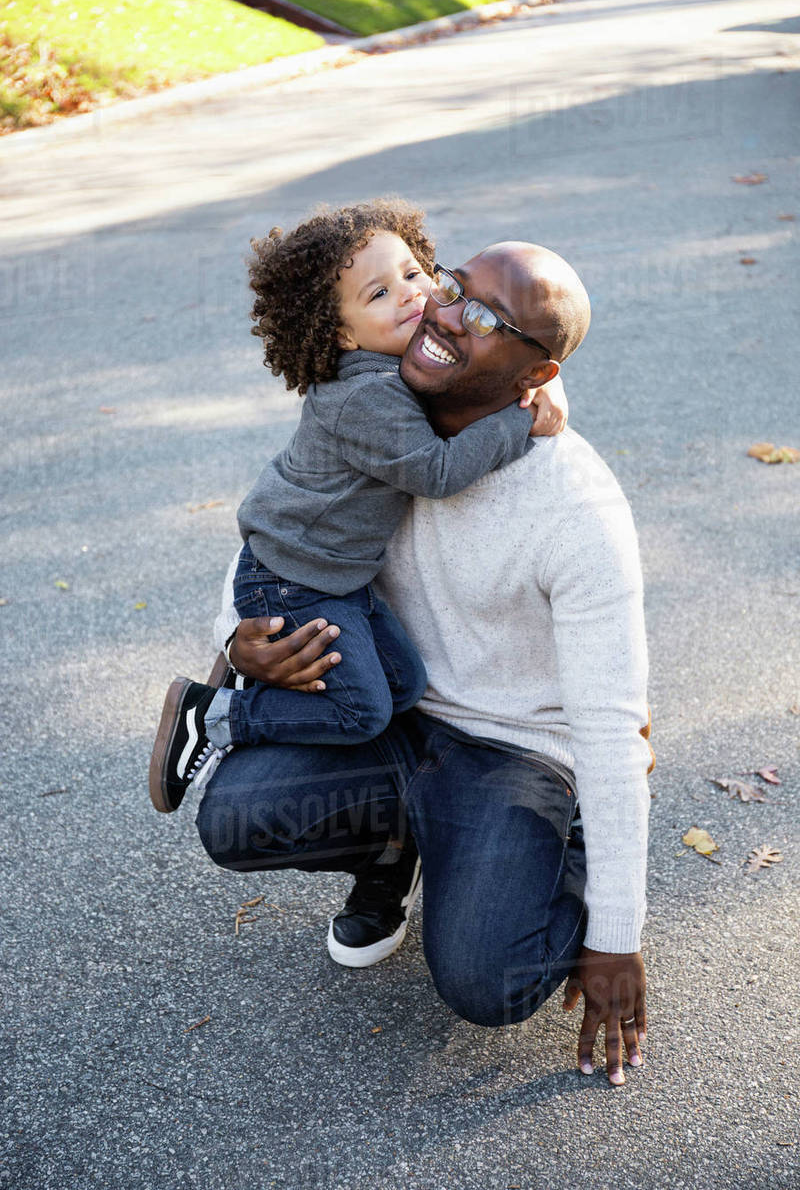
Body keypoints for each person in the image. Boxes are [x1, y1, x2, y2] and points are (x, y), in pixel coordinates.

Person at [196, 239, 653, 1087]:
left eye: (483, 317)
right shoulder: (383, 412)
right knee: (234, 818)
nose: (440, 312)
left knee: (491, 983)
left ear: (535, 374)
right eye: (451, 286)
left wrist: (615, 934)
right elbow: (290, 527)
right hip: (400, 720)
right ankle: (391, 856)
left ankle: (563, 845)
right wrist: (237, 636)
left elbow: (613, 729)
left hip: (513, 754)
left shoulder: (576, 508)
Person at [149, 201, 567, 814]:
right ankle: (214, 715)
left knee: (404, 684)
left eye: (414, 274)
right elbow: (437, 470)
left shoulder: (393, 367)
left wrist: (535, 376)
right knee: (363, 709)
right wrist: (520, 417)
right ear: (342, 334)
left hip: (337, 576)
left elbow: (491, 345)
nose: (410, 295)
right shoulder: (366, 395)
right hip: (294, 582)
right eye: (378, 294)